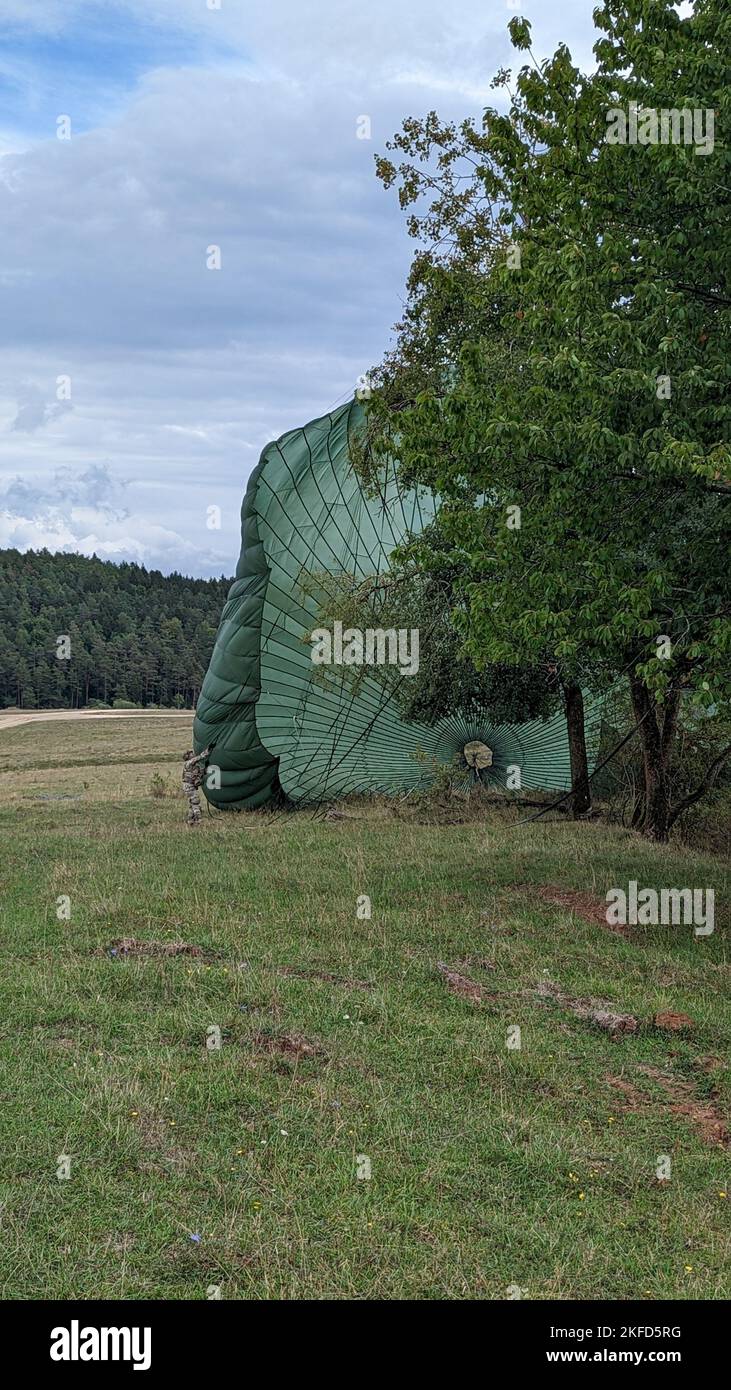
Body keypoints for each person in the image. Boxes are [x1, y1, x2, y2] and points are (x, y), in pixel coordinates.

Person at [182, 746, 210, 827]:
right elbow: (199, 758)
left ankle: (190, 820)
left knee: (192, 804)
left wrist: (206, 767)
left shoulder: (195, 767)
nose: (193, 754)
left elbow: (200, 774)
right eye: (191, 753)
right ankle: (199, 820)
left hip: (191, 786)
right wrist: (207, 752)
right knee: (195, 802)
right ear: (188, 757)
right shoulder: (188, 764)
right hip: (189, 786)